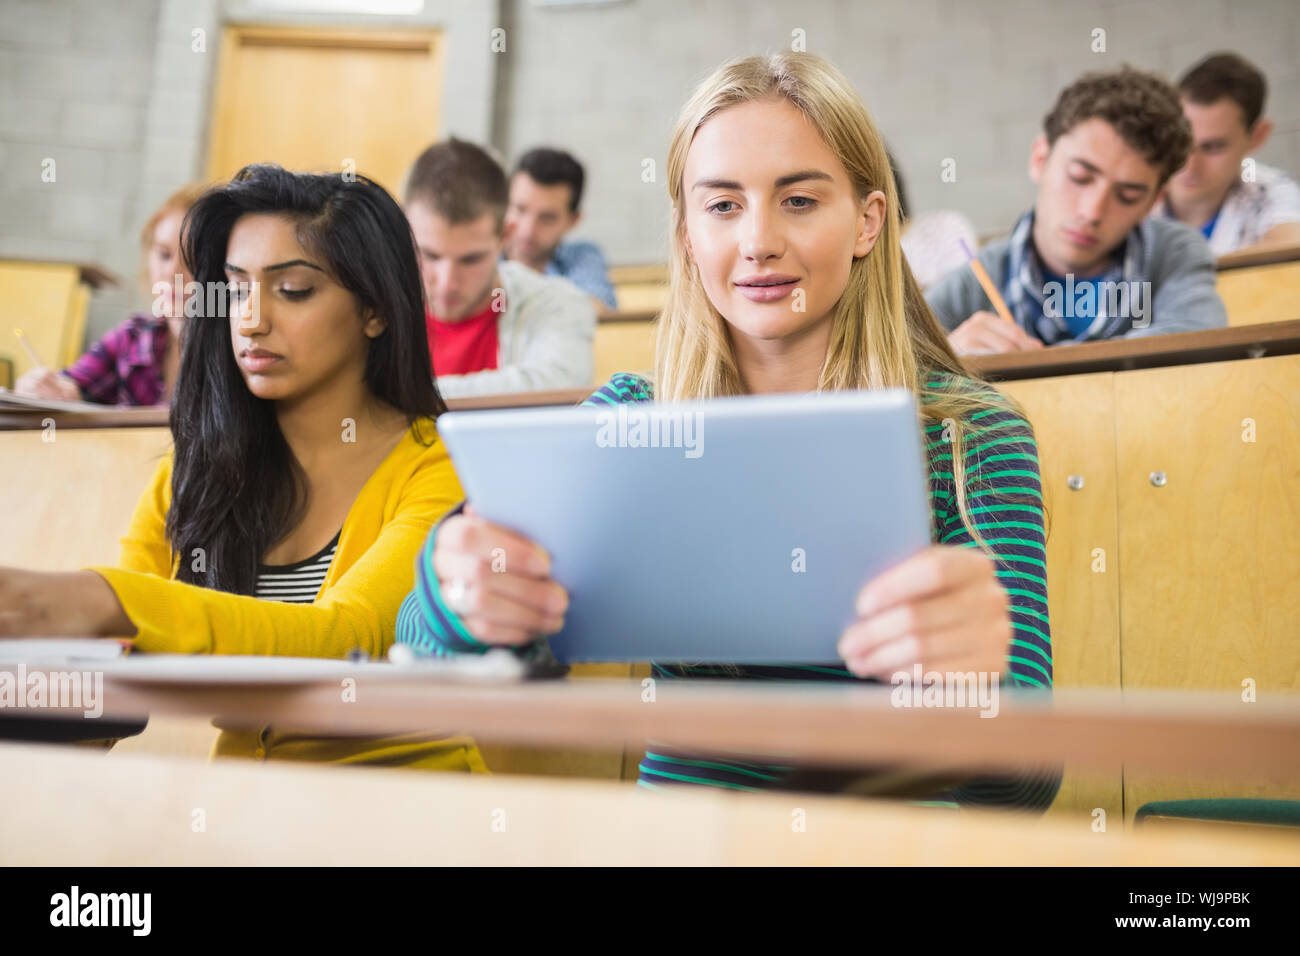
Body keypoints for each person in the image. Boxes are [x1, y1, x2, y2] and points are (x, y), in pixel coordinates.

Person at [396, 52, 1059, 811]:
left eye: (800, 201)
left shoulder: (972, 435)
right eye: (722, 206)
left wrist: (977, 687)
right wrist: (462, 597)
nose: (758, 241)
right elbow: (423, 656)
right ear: (684, 232)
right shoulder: (630, 423)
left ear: (868, 222)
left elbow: (1030, 780)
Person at [0, 164, 483, 771]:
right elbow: (113, 662)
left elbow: (346, 640)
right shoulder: (196, 464)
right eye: (235, 289)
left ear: (375, 311)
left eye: (294, 291)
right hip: (243, 810)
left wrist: (96, 599)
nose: (251, 320)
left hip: (407, 803)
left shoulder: (437, 464)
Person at [926, 67, 1227, 355]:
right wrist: (947, 356)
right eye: (1079, 177)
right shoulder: (980, 277)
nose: (1092, 212)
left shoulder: (1173, 253)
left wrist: (1036, 362)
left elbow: (1198, 341)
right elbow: (889, 360)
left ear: (1153, 202)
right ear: (1040, 159)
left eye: (1128, 195)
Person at [404, 139, 596, 397]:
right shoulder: (372, 305)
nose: (447, 282)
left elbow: (560, 387)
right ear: (404, 232)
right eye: (429, 255)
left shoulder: (558, 304)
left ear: (505, 235)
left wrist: (400, 398)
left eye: (470, 259)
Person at [15, 183, 208, 405]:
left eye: (192, 259)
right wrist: (50, 389)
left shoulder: (238, 349)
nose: (172, 273)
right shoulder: (132, 338)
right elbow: (71, 384)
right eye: (164, 255)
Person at [1154, 52, 1300, 256]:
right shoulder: (1132, 184)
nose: (1188, 165)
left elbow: (1290, 250)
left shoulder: (1271, 192)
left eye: (1213, 147)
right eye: (1181, 140)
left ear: (1257, 136)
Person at [504, 147, 618, 313]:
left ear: (573, 220)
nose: (527, 230)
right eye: (520, 210)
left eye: (547, 218)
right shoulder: (476, 254)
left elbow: (599, 311)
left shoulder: (583, 257)